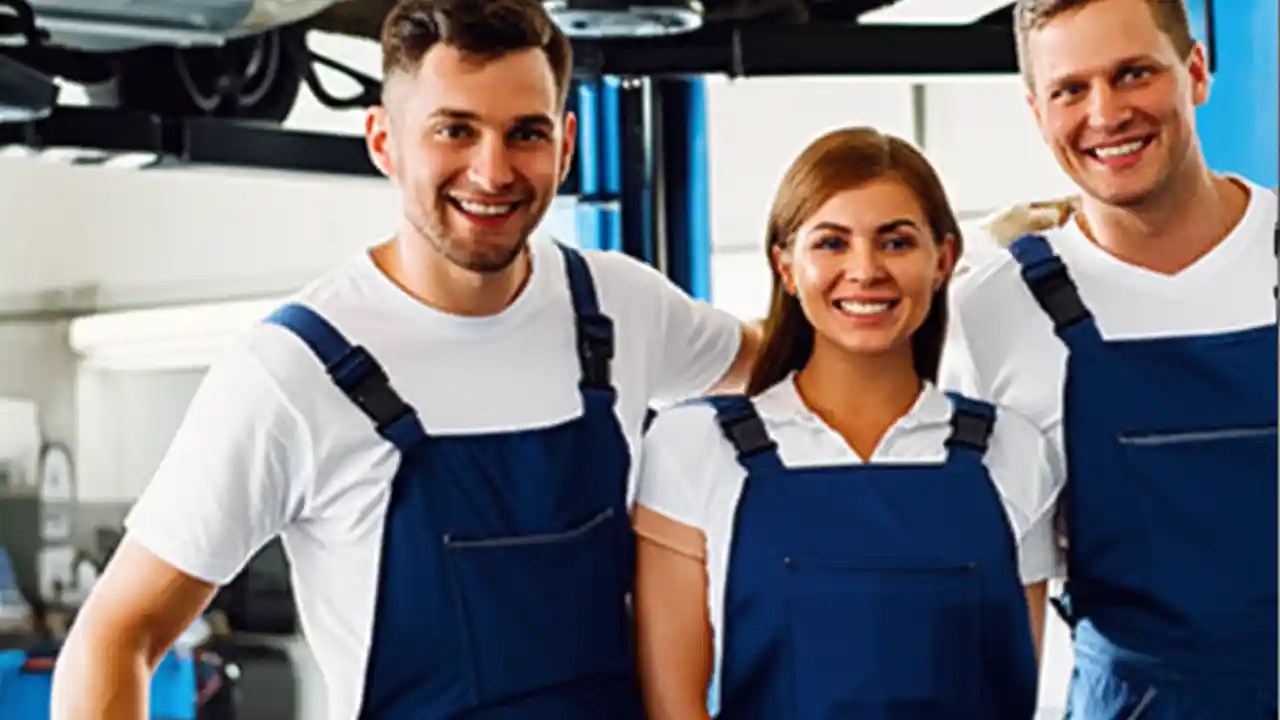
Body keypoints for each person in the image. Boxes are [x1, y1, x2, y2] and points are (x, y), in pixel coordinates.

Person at [49, 1, 758, 718]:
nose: (493, 170)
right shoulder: (293, 371)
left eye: (526, 134)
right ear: (384, 141)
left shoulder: (616, 306)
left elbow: (805, 364)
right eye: (455, 130)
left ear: (566, 145)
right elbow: (117, 635)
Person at [631, 127, 1062, 720]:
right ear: (785, 267)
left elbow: (1014, 691)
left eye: (896, 242)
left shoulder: (1010, 453)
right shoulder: (694, 449)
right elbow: (673, 708)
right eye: (831, 243)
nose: (865, 271)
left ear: (943, 261)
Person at [940, 0, 1279, 717]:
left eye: (1133, 74)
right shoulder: (995, 314)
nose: (1106, 113)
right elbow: (997, 600)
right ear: (1037, 111)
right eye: (1070, 89)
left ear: (1195, 72)